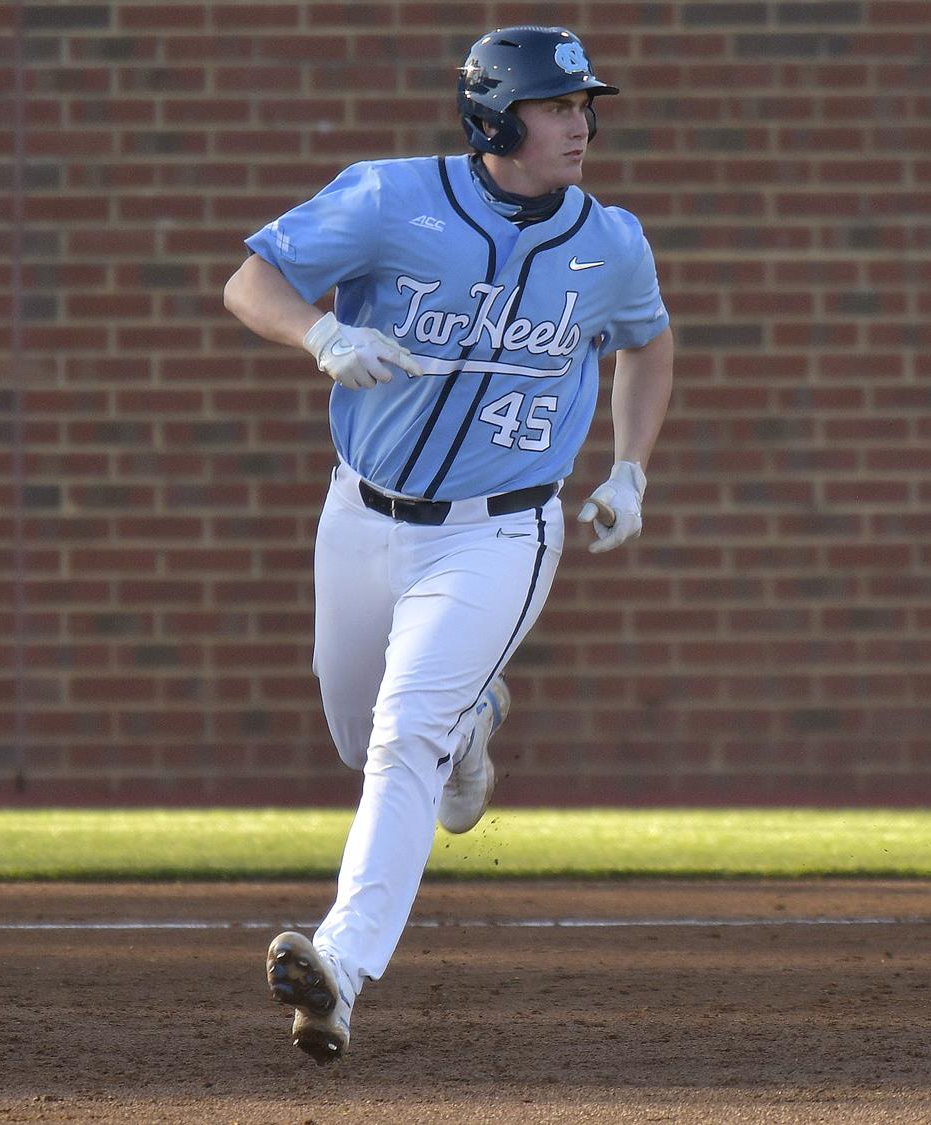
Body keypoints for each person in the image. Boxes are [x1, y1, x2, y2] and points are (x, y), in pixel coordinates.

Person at [220, 24, 674, 1063]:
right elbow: (250, 283)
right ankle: (471, 727)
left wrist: (629, 469)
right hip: (361, 514)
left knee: (400, 736)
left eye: (582, 106)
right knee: (362, 737)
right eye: (554, 107)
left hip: (502, 530)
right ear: (493, 119)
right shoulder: (389, 198)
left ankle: (340, 967)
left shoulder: (611, 242)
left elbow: (648, 343)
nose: (578, 126)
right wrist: (321, 334)